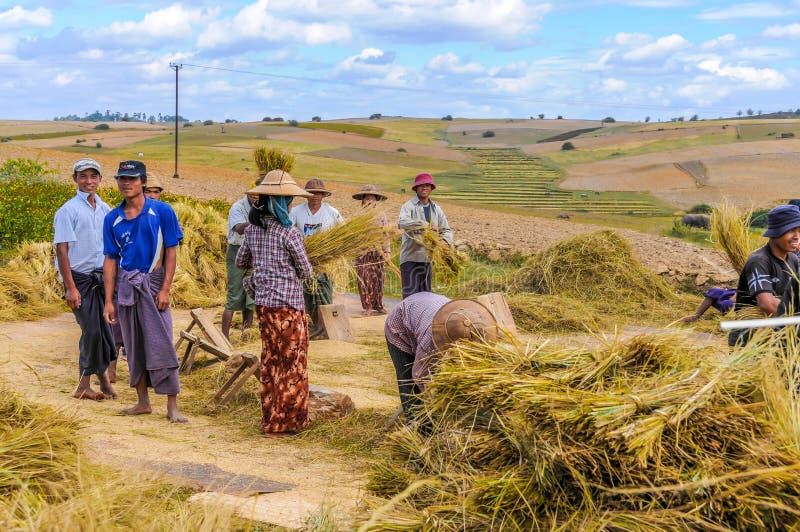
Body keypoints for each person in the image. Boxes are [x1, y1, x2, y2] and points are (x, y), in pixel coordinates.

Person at [102, 160, 187, 423]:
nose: (126, 183)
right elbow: (110, 260)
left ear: (143, 181)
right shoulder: (112, 218)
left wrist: (165, 289)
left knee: (162, 342)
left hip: (153, 283)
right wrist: (109, 300)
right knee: (133, 344)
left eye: (132, 179)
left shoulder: (162, 212)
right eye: (122, 179)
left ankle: (172, 405)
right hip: (127, 285)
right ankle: (142, 402)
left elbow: (171, 251)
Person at [235, 170, 314, 436]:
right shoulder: (289, 233)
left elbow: (240, 261)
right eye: (288, 201)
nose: (290, 205)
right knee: (293, 364)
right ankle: (286, 422)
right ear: (280, 203)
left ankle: (270, 417)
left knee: (271, 360)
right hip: (288, 308)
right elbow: (306, 271)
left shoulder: (253, 231)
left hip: (264, 306)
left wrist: (263, 264)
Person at [54, 157, 117, 401]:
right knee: (91, 331)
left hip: (101, 277)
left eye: (93, 176)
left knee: (103, 331)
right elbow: (62, 250)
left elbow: (110, 246)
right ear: (75, 179)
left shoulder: (105, 209)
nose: (88, 181)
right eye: (83, 176)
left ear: (100, 179)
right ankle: (83, 385)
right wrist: (70, 288)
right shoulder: (68, 211)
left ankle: (102, 381)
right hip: (79, 280)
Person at [384, 293, 497, 420]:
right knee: (409, 383)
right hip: (399, 326)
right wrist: (439, 399)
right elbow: (420, 375)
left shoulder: (473, 323)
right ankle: (416, 424)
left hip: (423, 309)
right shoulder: (431, 339)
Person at [729, 204, 800, 347]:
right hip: (750, 337)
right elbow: (767, 304)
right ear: (775, 232)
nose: (796, 236)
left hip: (779, 333)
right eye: (791, 230)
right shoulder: (759, 260)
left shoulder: (793, 259)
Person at [289, 178, 344, 338]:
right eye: (311, 193)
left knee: (324, 292)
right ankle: (315, 325)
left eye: (318, 193)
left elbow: (344, 231)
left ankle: (324, 327)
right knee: (307, 294)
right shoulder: (296, 212)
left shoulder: (332, 212)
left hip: (325, 262)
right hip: (303, 260)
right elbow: (289, 232)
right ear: (306, 195)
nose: (315, 196)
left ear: (323, 195)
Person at [398, 173, 453, 299]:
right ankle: (408, 313)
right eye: (421, 185)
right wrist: (425, 225)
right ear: (416, 188)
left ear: (431, 188)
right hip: (411, 258)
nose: (424, 188)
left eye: (427, 185)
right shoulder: (409, 206)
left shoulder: (436, 209)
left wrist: (444, 241)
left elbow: (446, 230)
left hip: (427, 260)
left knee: (425, 297)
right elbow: (402, 222)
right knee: (410, 297)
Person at [222, 190, 257, 339]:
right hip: (237, 250)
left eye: (259, 195)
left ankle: (246, 334)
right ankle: (224, 337)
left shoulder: (262, 207)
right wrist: (258, 218)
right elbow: (240, 229)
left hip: (254, 251)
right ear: (248, 194)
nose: (256, 197)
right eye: (254, 194)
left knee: (251, 296)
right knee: (234, 295)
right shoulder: (238, 207)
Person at [352, 184, 391, 315]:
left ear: (376, 201)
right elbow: (354, 235)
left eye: (372, 199)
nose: (369, 201)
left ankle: (378, 305)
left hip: (378, 253)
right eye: (367, 198)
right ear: (362, 200)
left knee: (379, 279)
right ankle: (368, 306)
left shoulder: (381, 215)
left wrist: (387, 251)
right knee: (364, 279)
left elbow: (386, 234)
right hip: (363, 253)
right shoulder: (358, 216)